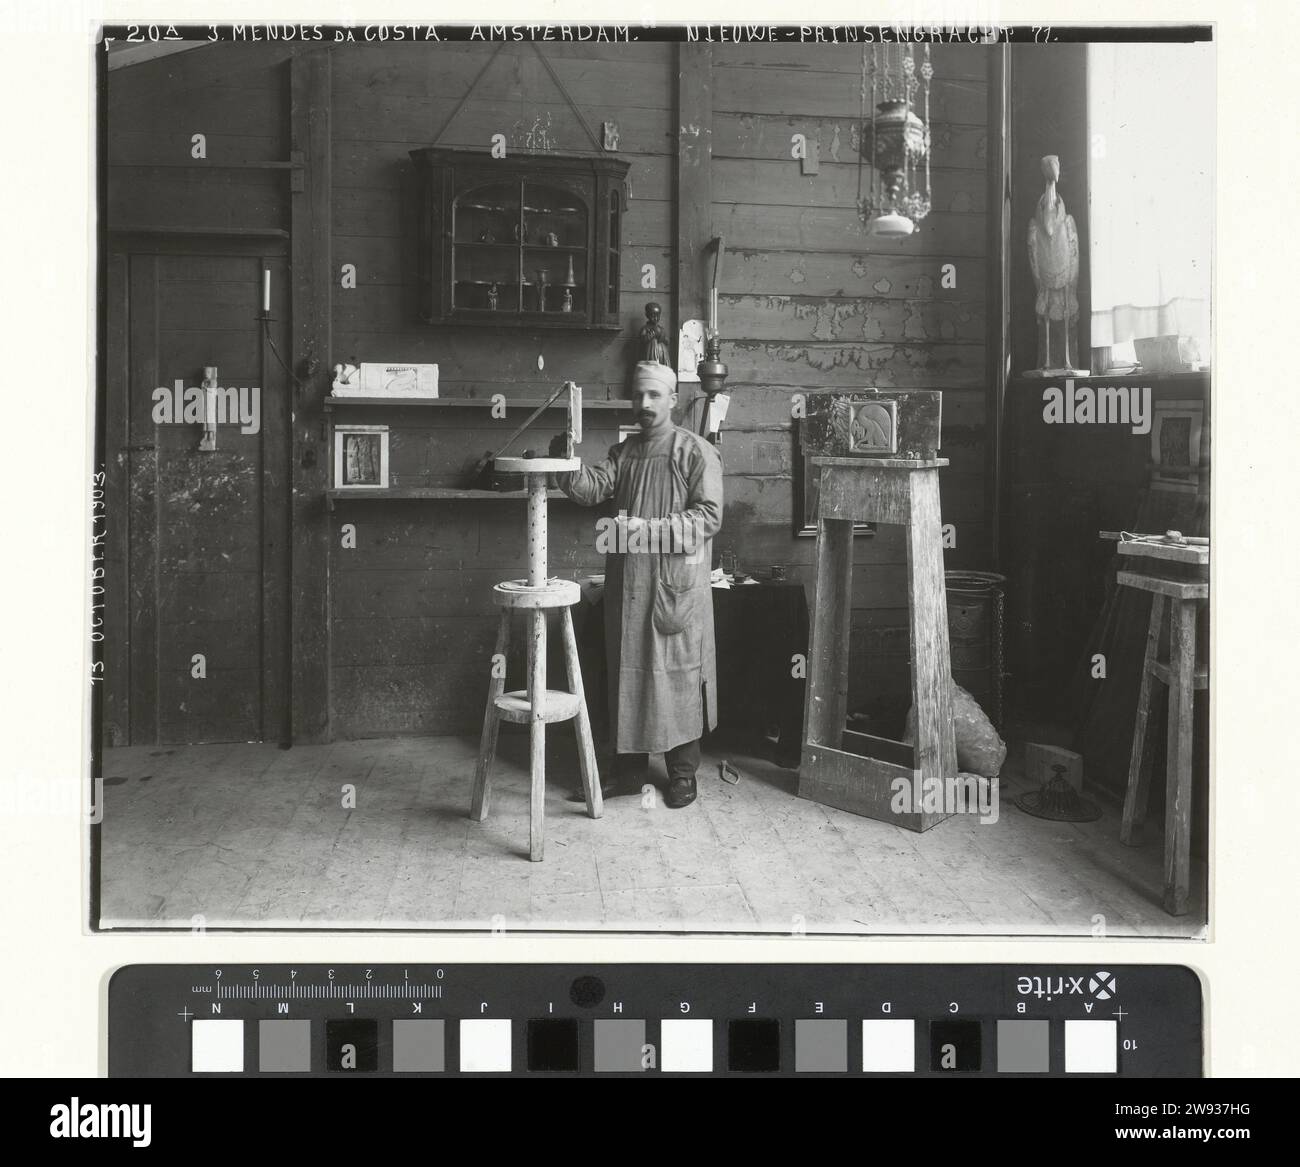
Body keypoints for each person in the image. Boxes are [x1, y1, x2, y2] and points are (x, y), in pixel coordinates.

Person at [550, 361, 723, 809]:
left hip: (674, 588)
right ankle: (628, 772)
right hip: (628, 587)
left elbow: (708, 516)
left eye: (653, 396)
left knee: (677, 679)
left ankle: (683, 774)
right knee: (627, 676)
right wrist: (562, 461)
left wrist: (649, 530)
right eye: (638, 395)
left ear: (671, 399)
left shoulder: (696, 451)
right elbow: (591, 488)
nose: (644, 404)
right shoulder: (624, 453)